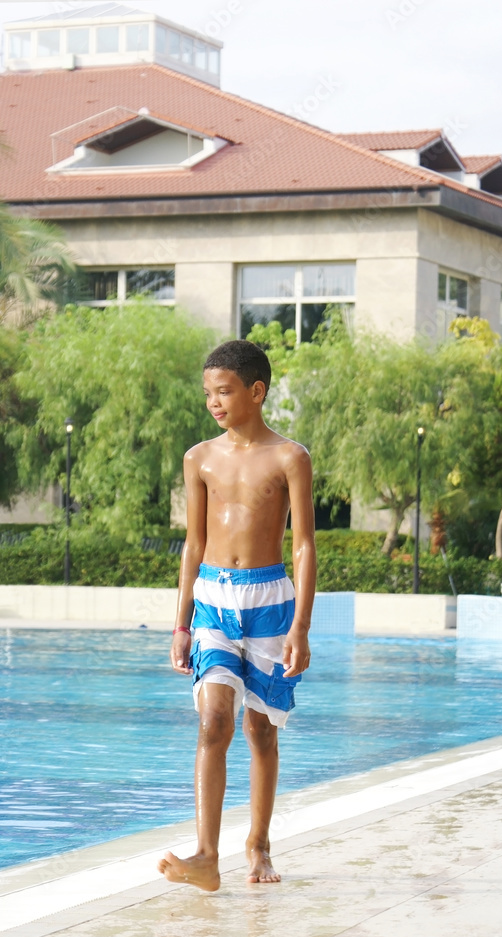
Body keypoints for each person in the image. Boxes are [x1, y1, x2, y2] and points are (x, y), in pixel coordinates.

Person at [157, 338, 316, 892]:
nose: (214, 402)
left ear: (256, 391)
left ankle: (259, 842)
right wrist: (181, 624)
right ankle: (206, 855)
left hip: (271, 601)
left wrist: (301, 626)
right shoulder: (199, 458)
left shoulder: (289, 457)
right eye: (208, 393)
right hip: (213, 602)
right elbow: (192, 544)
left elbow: (304, 547)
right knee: (214, 722)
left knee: (261, 732)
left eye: (224, 391)